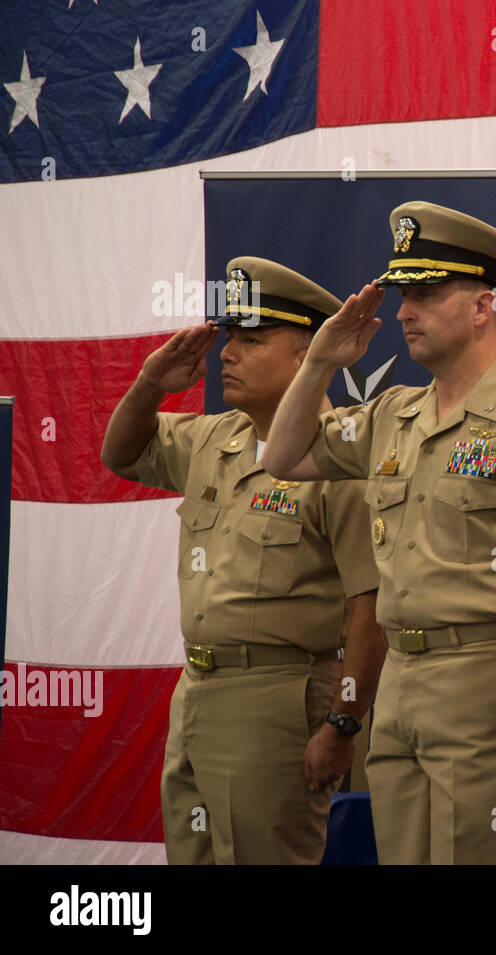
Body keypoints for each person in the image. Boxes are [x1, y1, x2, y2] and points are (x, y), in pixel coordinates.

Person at [261, 201, 496, 864]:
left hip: (489, 680)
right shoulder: (394, 413)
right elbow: (281, 456)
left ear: (484, 305)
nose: (403, 311)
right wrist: (317, 364)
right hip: (401, 683)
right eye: (402, 294)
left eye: (424, 293)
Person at [100, 257, 385, 864]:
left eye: (251, 341)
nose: (228, 353)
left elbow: (371, 604)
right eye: (230, 337)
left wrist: (343, 723)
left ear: (307, 354)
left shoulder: (339, 460)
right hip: (198, 690)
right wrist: (151, 382)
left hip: (278, 698)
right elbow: (121, 455)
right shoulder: (214, 438)